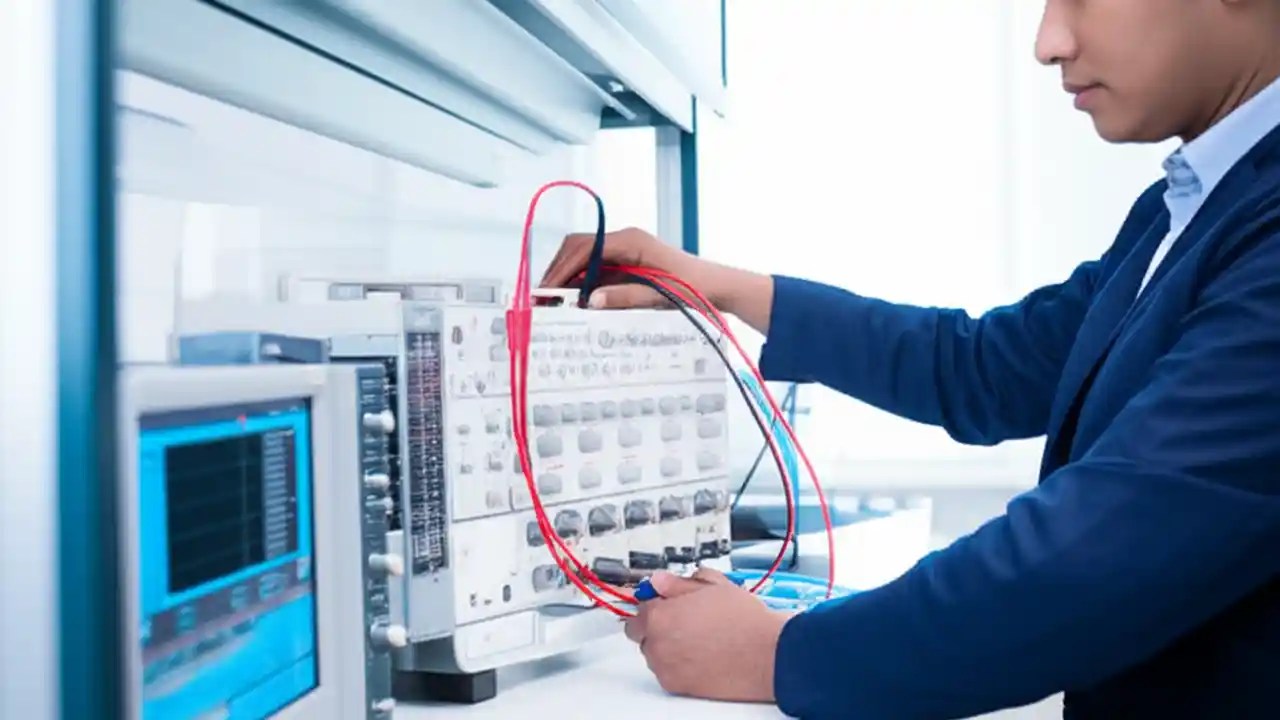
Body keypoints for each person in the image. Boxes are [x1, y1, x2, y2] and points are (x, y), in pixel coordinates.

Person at [539, 1, 1280, 717]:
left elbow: (1101, 553)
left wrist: (780, 654)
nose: (1049, 41)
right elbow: (987, 368)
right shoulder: (1190, 209)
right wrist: (729, 290)